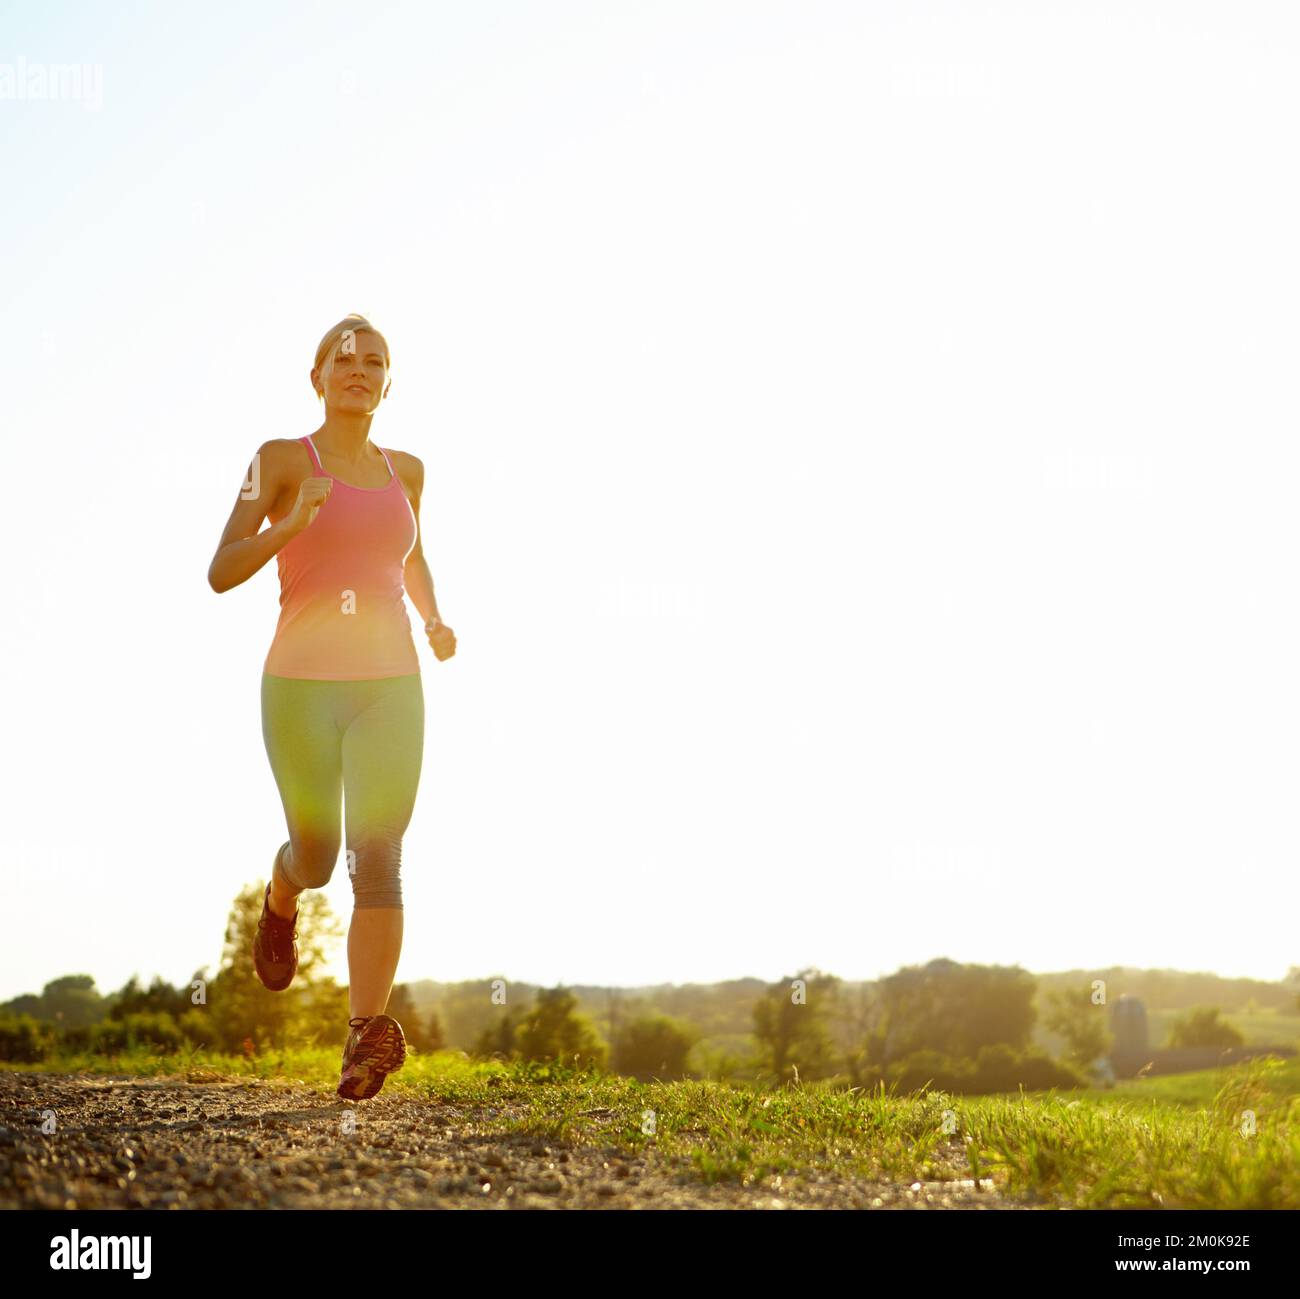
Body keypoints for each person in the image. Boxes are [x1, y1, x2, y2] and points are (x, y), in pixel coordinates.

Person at [207, 313, 456, 1100]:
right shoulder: (279, 460)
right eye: (342, 359)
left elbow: (409, 556)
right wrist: (290, 522)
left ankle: (363, 1036)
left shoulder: (408, 470)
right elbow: (220, 569)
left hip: (391, 685)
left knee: (377, 855)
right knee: (318, 857)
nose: (359, 369)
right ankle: (281, 900)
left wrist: (434, 617)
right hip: (301, 689)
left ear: (389, 381)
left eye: (374, 360)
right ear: (316, 377)